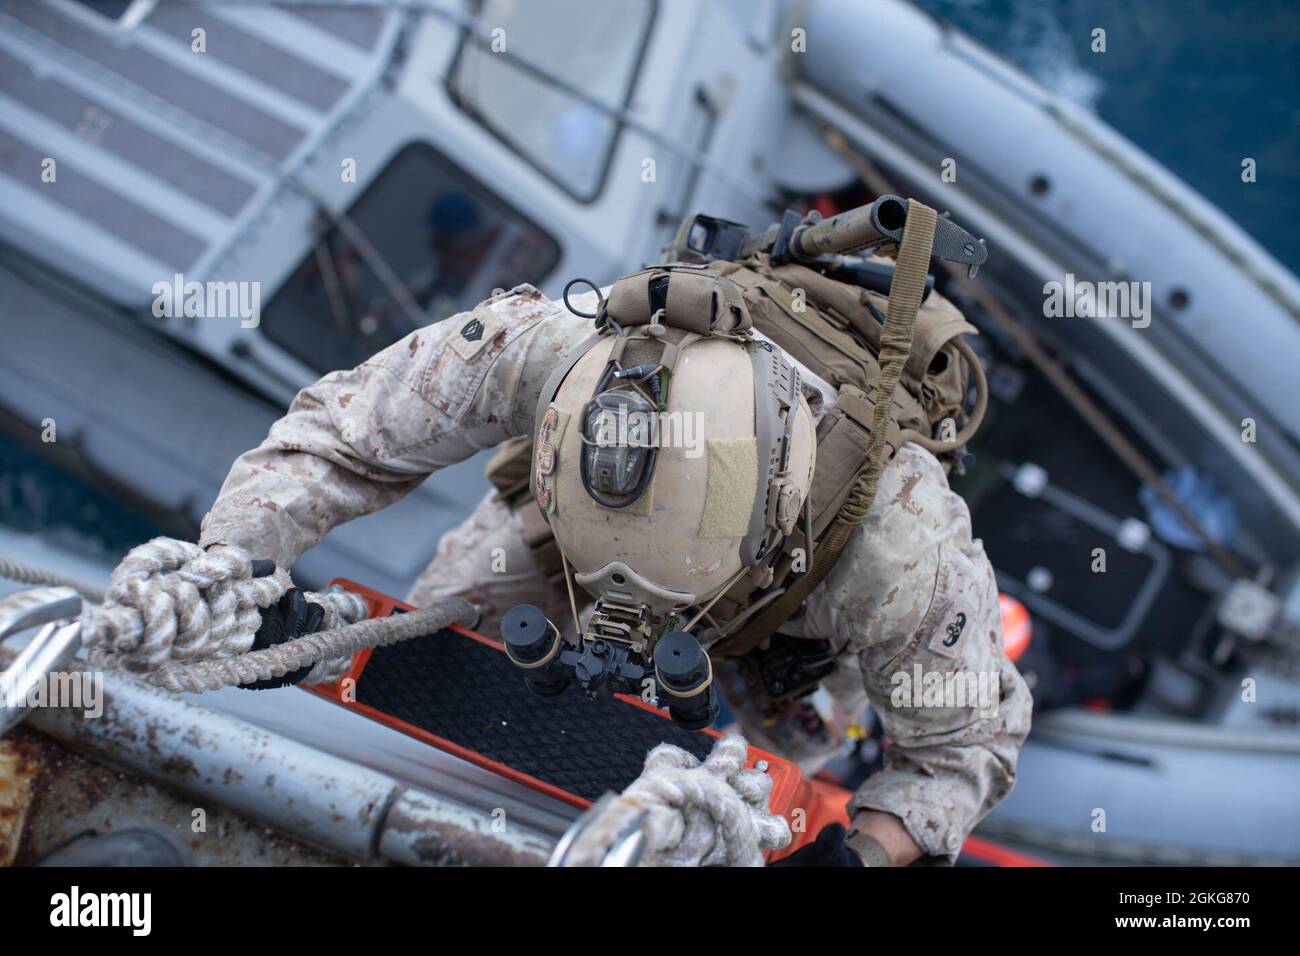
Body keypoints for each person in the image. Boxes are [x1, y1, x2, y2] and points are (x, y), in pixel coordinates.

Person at [199, 266, 1032, 867]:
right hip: (550, 546)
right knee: (425, 675)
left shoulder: (899, 543)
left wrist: (862, 856)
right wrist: (238, 568)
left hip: (793, 623)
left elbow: (960, 749)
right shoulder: (543, 349)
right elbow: (347, 433)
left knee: (783, 769)